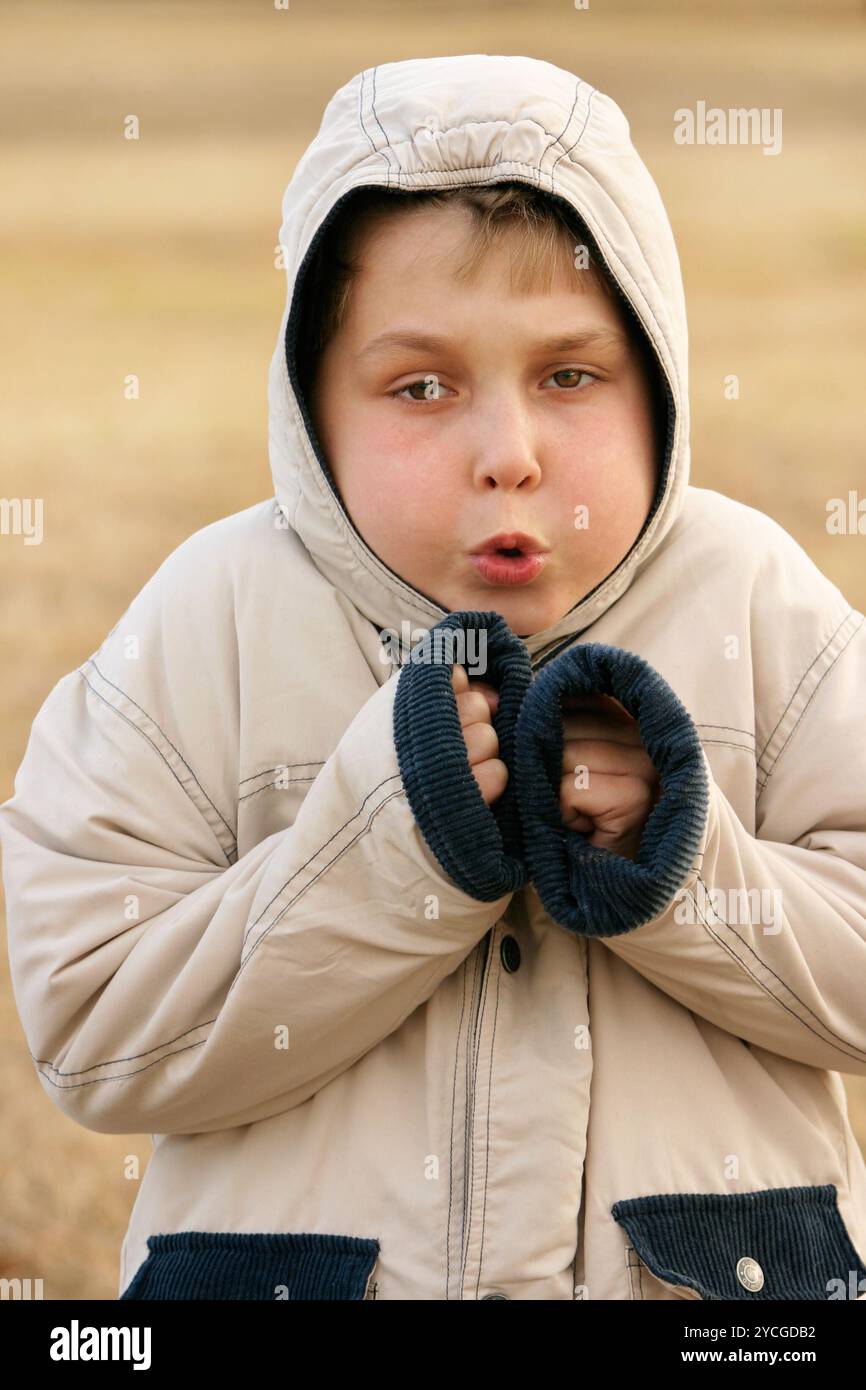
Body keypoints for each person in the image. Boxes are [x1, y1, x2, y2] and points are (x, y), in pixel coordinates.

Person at [2, 53, 866, 1302]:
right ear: (312, 411)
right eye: (421, 386)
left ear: (658, 379)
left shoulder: (754, 602)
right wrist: (387, 846)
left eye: (569, 375)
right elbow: (93, 1026)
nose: (506, 453)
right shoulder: (212, 617)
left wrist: (673, 865)